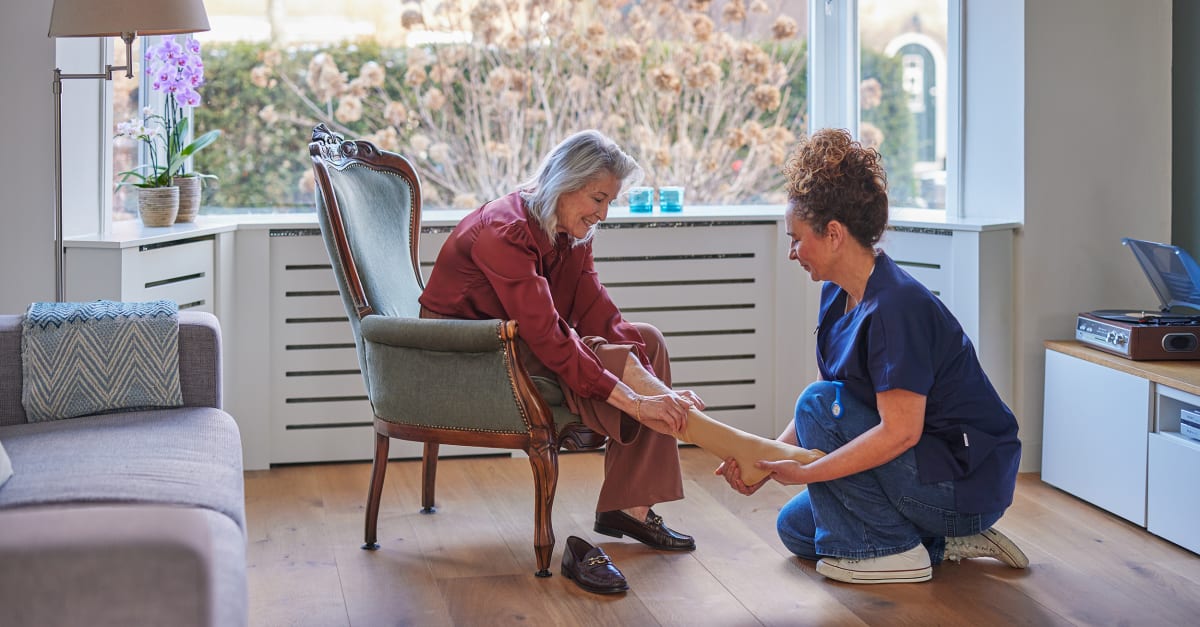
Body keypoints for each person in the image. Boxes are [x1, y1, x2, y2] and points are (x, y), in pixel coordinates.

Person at [717, 128, 1028, 584]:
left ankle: (901, 554)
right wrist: (764, 460)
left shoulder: (897, 308)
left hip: (961, 483)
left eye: (796, 238)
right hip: (920, 469)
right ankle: (939, 542)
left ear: (834, 234)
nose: (790, 252)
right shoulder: (836, 293)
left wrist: (807, 473)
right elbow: (842, 406)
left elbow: (898, 433)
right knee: (797, 529)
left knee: (816, 403)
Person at [419, 129, 707, 551]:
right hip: (469, 354)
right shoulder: (505, 229)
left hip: (517, 342)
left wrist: (655, 388)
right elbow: (549, 336)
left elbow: (600, 313)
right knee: (590, 353)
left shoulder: (570, 231)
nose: (604, 214)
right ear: (565, 184)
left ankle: (630, 509)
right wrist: (639, 401)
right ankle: (691, 429)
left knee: (648, 340)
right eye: (598, 199)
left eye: (610, 201)